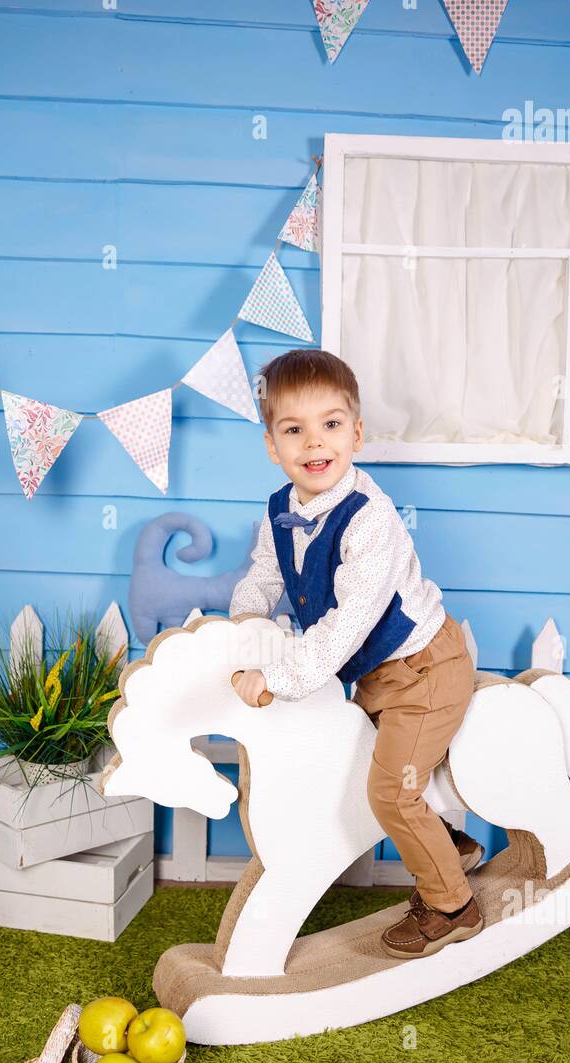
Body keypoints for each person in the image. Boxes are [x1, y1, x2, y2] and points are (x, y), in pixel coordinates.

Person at [229, 348, 483, 959]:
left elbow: (346, 627)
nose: (314, 443)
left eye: (332, 425)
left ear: (357, 433)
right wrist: (242, 628)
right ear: (272, 444)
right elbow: (264, 576)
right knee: (351, 765)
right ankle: (450, 843)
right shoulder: (280, 510)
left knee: (391, 792)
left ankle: (454, 905)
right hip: (376, 681)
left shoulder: (370, 519)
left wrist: (279, 677)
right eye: (294, 429)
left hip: (423, 672)